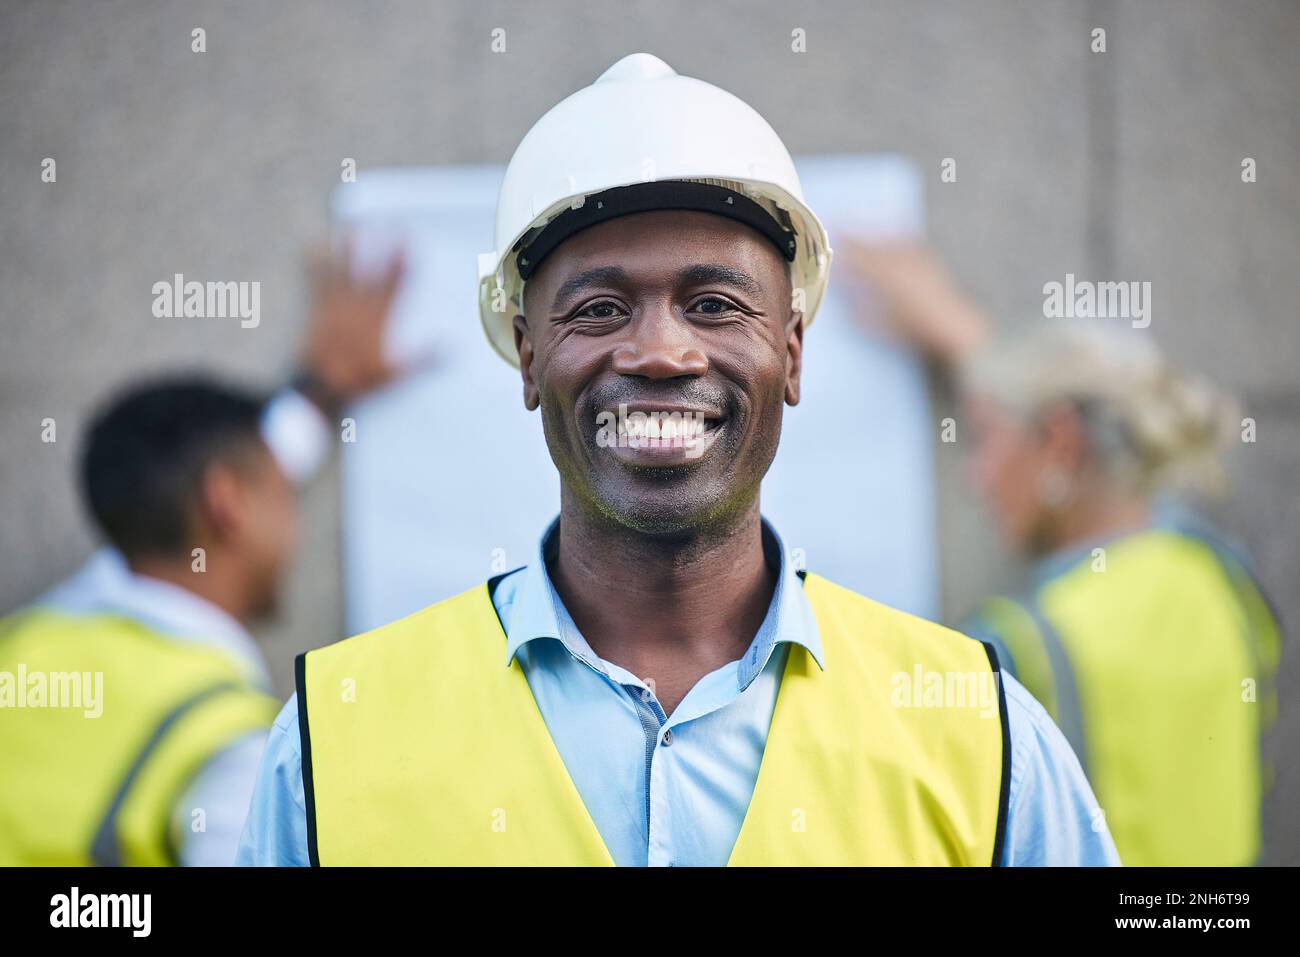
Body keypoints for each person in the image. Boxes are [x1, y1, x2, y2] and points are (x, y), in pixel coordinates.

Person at [238, 53, 1118, 867]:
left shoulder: (976, 726)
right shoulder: (334, 739)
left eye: (713, 303)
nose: (660, 351)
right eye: (598, 309)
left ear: (794, 354)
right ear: (530, 358)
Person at [840, 239, 1283, 866]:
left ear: (1057, 439)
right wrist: (974, 345)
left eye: (987, 438)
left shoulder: (1015, 645)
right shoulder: (1219, 576)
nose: (977, 477)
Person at [0, 243, 406, 866]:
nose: (292, 522)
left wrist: (318, 391)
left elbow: (245, 470)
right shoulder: (226, 742)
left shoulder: (29, 641)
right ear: (227, 506)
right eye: (280, 494)